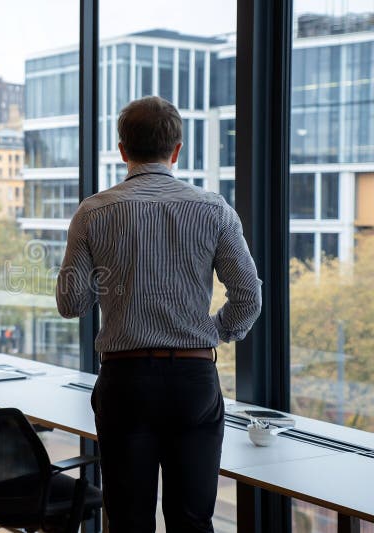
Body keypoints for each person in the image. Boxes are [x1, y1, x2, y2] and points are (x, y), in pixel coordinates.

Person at [56, 96, 261, 533]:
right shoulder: (214, 209)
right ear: (177, 149)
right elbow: (248, 296)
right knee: (192, 521)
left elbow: (71, 304)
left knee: (128, 522)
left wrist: (115, 271)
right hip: (193, 381)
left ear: (123, 150)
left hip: (125, 382)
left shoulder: (93, 211)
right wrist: (213, 331)